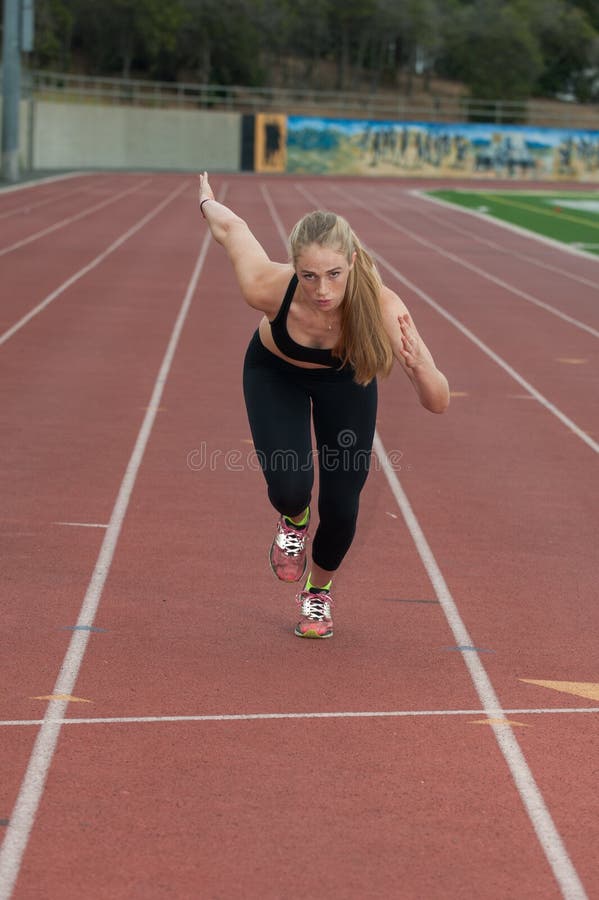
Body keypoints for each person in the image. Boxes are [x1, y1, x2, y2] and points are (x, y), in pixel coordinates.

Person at [199, 172, 449, 639]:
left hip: (347, 381)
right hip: (276, 375)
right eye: (309, 276)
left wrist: (421, 370)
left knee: (343, 510)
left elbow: (437, 402)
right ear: (294, 268)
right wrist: (206, 202)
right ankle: (294, 519)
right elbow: (233, 231)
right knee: (292, 486)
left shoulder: (381, 307)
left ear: (353, 262)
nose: (322, 291)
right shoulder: (267, 288)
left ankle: (318, 592)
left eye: (334, 274)